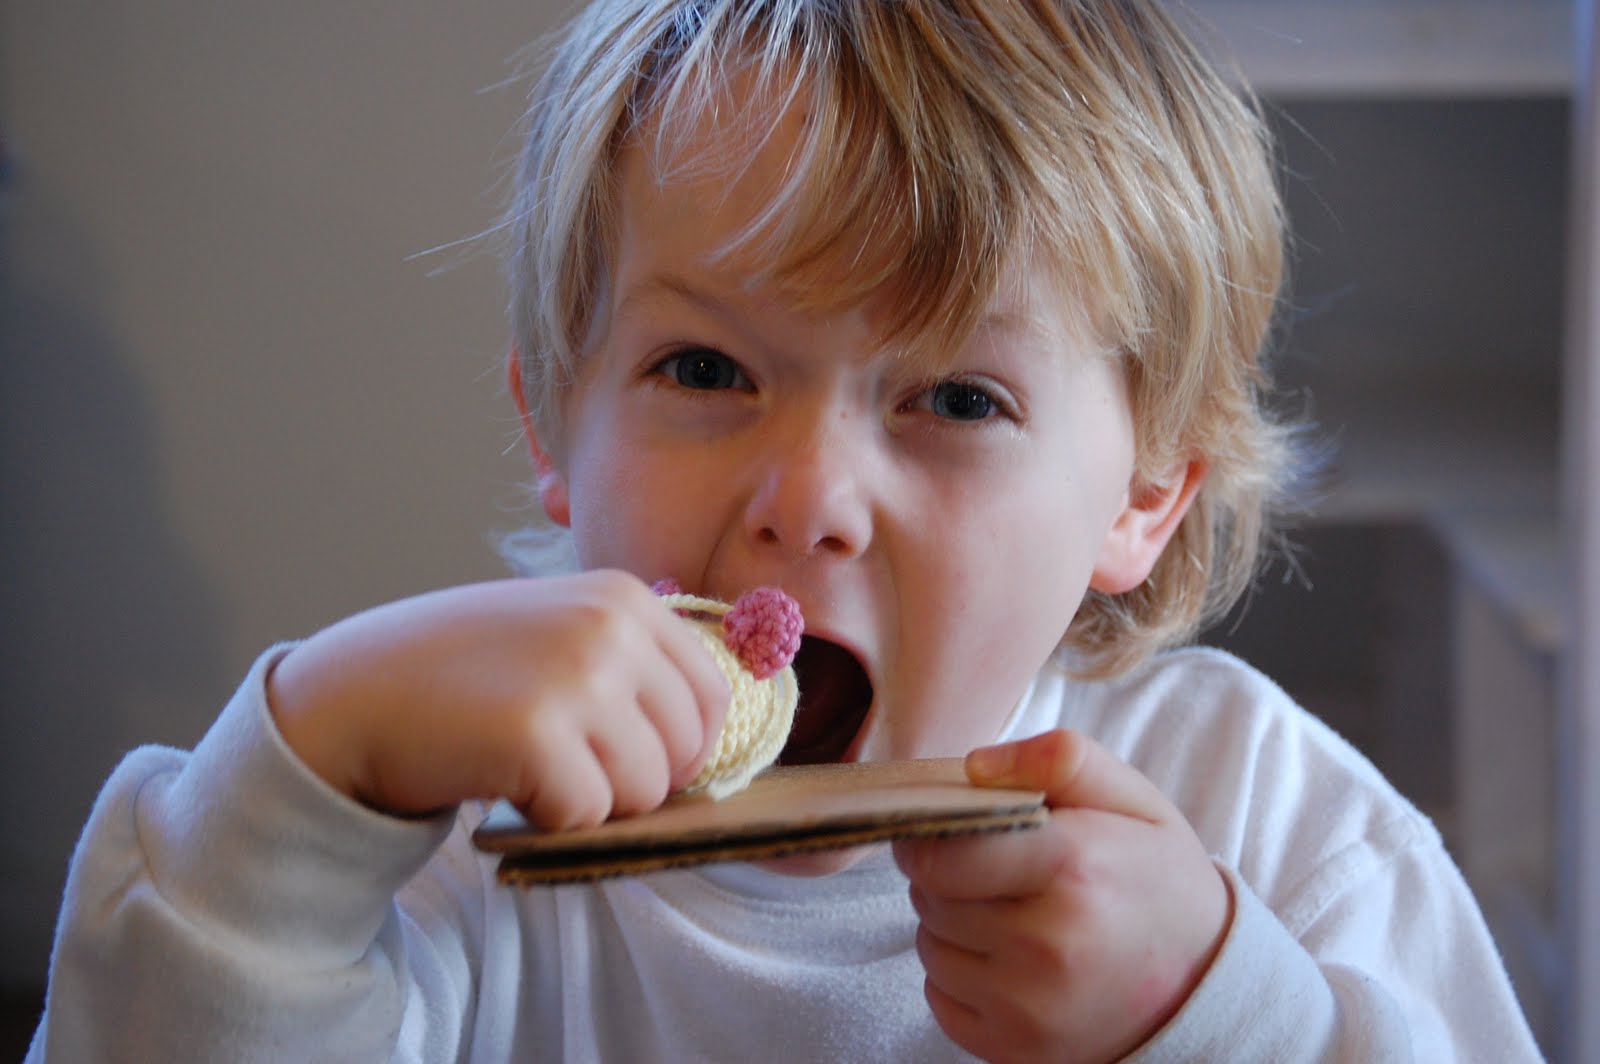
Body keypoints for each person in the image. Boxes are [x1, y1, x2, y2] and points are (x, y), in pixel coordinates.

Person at [28, 1, 1541, 1060]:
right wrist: (304, 783)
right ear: (555, 423)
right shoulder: (444, 846)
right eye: (705, 371)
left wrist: (1227, 1022)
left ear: (1145, 495)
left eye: (957, 398)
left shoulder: (1272, 832)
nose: (808, 500)